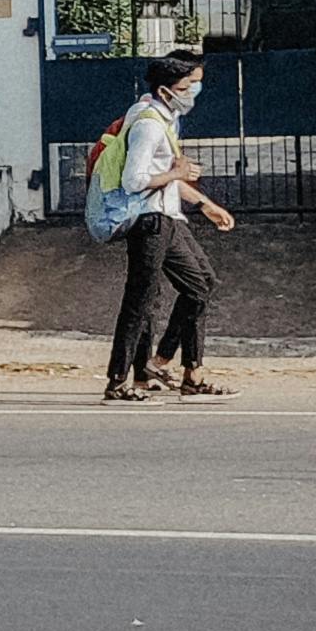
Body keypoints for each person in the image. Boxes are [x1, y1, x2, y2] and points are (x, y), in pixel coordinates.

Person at [103, 49, 235, 402]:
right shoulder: (148, 123)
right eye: (189, 85)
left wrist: (203, 203)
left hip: (167, 216)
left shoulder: (163, 118)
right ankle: (122, 380)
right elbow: (134, 179)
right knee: (142, 299)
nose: (194, 91)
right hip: (149, 220)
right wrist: (178, 173)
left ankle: (175, 369)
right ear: (166, 90)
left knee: (201, 283)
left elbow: (165, 176)